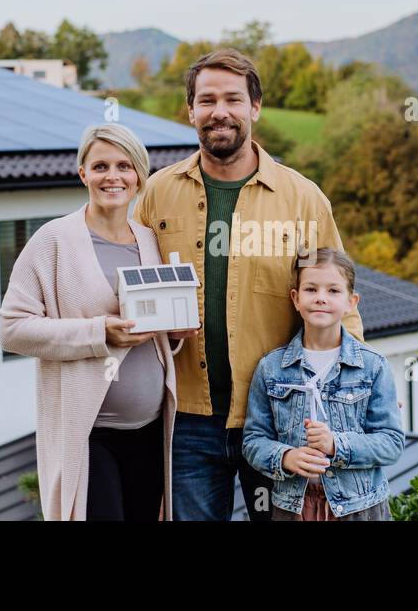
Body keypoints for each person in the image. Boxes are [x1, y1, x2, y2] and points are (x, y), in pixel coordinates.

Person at [133, 49, 364, 520]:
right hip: (188, 421)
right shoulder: (158, 192)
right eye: (208, 100)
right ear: (190, 110)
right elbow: (132, 285)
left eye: (233, 99)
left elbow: (338, 300)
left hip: (282, 419)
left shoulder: (302, 198)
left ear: (255, 107)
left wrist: (352, 404)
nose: (220, 112)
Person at [0, 123, 195, 520]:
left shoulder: (150, 241)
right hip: (90, 433)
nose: (113, 176)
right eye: (100, 166)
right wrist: (97, 333)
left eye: (124, 166)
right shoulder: (53, 241)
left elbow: (149, 327)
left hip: (151, 429)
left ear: (139, 176)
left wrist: (172, 333)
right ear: (83, 173)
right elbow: (12, 330)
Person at [243, 248, 403, 520]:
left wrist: (335, 444)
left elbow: (391, 442)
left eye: (333, 291)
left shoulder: (373, 366)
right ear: (295, 299)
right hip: (293, 507)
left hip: (359, 507)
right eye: (311, 289)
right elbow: (253, 440)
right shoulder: (270, 368)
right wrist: (285, 457)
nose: (320, 298)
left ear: (351, 302)